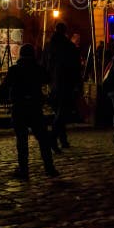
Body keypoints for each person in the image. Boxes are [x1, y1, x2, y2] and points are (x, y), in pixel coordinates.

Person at [0, 43, 59, 180]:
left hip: (19, 107)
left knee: (22, 141)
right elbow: (48, 78)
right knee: (43, 140)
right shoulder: (37, 69)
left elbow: (3, 88)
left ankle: (24, 170)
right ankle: (49, 167)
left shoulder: (14, 70)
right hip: (35, 108)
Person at [42, 22, 83, 151]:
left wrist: (46, 81)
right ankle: (53, 138)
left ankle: (63, 139)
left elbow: (43, 65)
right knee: (62, 113)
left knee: (59, 112)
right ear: (65, 32)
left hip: (53, 84)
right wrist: (78, 85)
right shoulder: (69, 47)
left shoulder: (48, 46)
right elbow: (76, 68)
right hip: (66, 83)